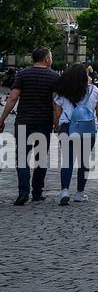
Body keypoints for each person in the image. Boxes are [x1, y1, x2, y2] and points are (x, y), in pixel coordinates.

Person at [0, 47, 60, 205]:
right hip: (43, 122)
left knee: (22, 158)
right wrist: (56, 123)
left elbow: (12, 98)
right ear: (47, 58)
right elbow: (55, 103)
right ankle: (37, 192)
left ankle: (23, 193)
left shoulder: (23, 74)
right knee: (41, 159)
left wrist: (2, 119)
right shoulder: (54, 76)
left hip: (24, 121)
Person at [53, 63, 98, 205]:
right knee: (84, 161)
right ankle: (80, 193)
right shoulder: (94, 90)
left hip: (67, 127)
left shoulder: (62, 92)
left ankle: (64, 191)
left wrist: (57, 128)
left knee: (68, 160)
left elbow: (57, 114)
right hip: (88, 128)